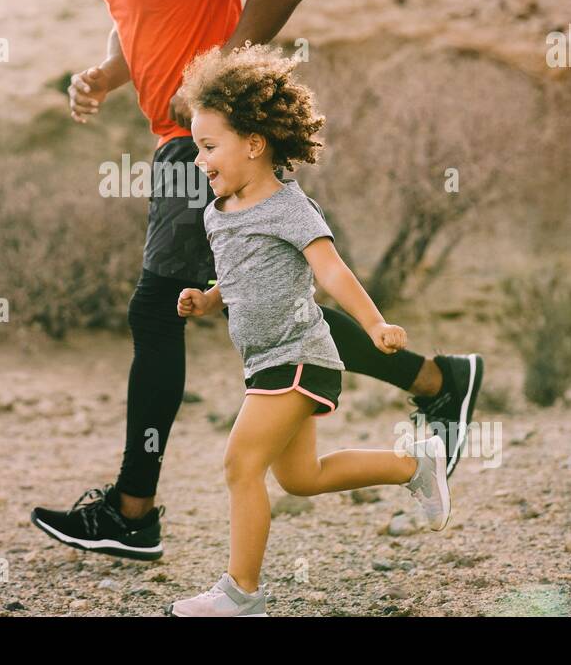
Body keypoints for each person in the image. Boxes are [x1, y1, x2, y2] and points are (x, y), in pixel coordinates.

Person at [30, 0, 481, 563]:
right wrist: (105, 76)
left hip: (205, 141)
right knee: (266, 297)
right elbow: (132, 25)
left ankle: (134, 511)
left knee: (155, 308)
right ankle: (437, 381)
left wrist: (216, 87)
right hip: (181, 144)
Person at [167, 43, 451, 616]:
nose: (200, 160)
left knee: (239, 465)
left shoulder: (290, 208)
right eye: (197, 148)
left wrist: (374, 325)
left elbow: (330, 270)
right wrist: (209, 298)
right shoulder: (216, 212)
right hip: (264, 361)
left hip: (297, 354)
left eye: (209, 146)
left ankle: (241, 594)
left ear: (254, 143)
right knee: (301, 478)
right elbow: (242, 276)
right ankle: (414, 465)